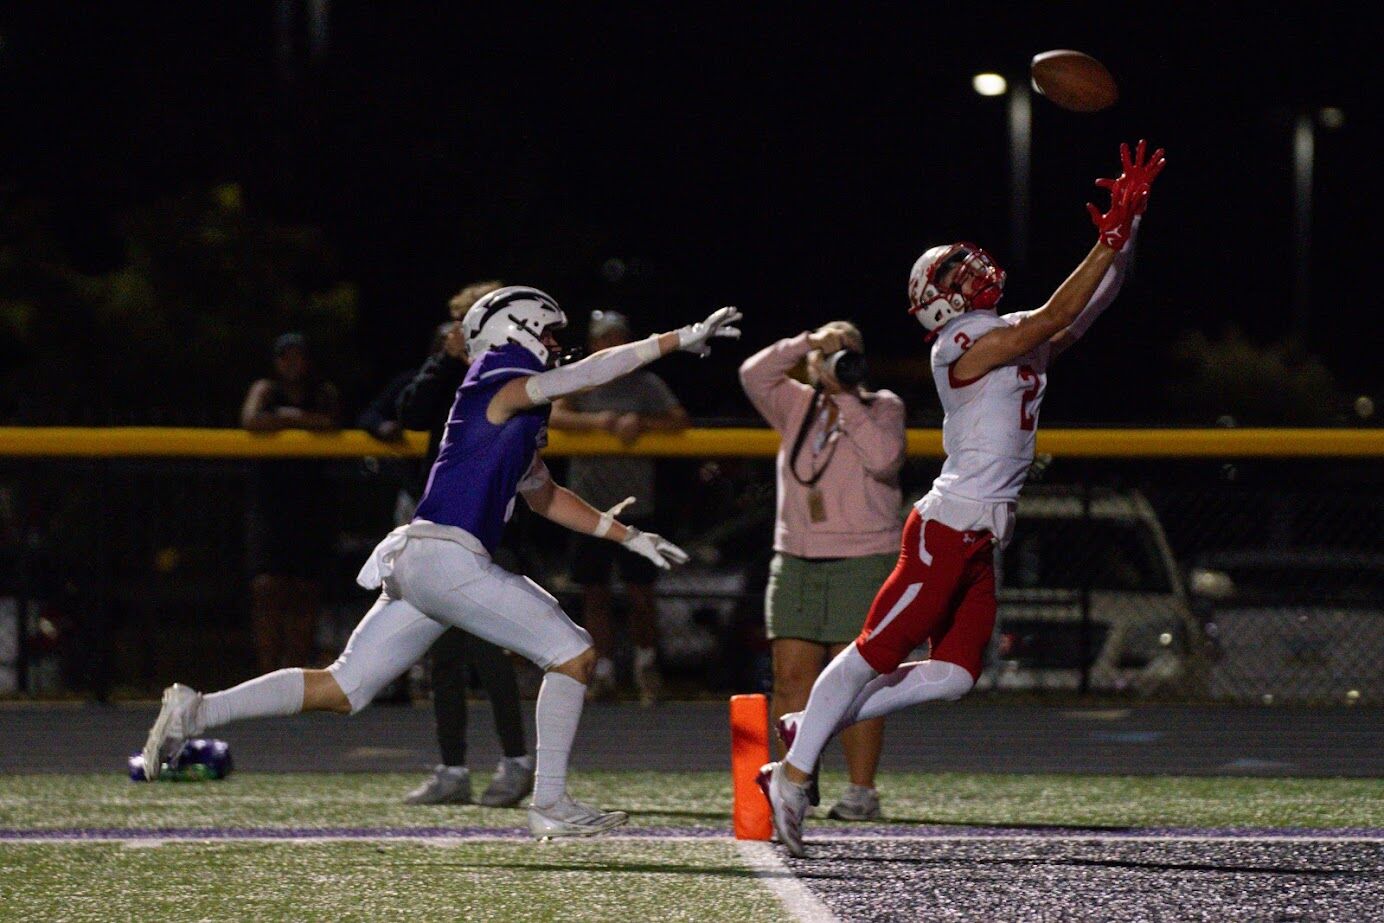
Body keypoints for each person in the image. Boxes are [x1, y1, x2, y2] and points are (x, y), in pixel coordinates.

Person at [142, 287, 743, 841]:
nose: (555, 344)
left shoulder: (513, 405)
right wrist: (677, 339)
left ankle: (198, 709)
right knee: (574, 654)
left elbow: (544, 495)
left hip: (425, 559)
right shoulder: (497, 375)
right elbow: (585, 374)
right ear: (518, 328)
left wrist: (627, 535)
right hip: (447, 557)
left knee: (345, 687)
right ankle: (550, 801)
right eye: (547, 332)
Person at [759, 141, 1166, 856]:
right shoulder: (960, 341)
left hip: (979, 534)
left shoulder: (1007, 336)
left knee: (952, 675)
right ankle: (790, 775)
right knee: (873, 651)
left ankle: (809, 727)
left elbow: (1082, 312)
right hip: (946, 527)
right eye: (953, 273)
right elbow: (1052, 317)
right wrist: (1104, 242)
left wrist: (1125, 234)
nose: (970, 271)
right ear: (939, 302)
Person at [739, 320, 905, 821]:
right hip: (795, 558)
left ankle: (861, 791)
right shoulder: (795, 405)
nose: (838, 359)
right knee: (791, 678)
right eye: (831, 353)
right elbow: (752, 373)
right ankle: (795, 780)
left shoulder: (883, 406)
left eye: (848, 351)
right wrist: (808, 341)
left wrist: (846, 399)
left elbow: (884, 461)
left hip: (864, 559)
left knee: (857, 681)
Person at [393, 281, 536, 808]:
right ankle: (453, 768)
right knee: (444, 654)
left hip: (489, 523)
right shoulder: (455, 366)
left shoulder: (512, 368)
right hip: (445, 522)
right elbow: (412, 412)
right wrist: (443, 361)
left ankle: (516, 760)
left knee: (486, 647)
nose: (460, 330)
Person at [549, 309, 690, 704]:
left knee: (641, 593)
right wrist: (601, 422)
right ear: (593, 343)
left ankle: (646, 667)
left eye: (618, 337)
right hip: (587, 507)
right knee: (594, 593)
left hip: (635, 507)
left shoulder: (646, 383)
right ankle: (604, 672)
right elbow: (553, 415)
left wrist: (639, 422)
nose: (611, 344)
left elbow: (679, 419)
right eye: (604, 338)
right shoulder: (579, 379)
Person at [240, 332, 341, 672]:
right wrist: (298, 420)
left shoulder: (322, 393)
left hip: (311, 502)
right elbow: (251, 420)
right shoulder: (265, 390)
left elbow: (331, 423)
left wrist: (284, 419)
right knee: (267, 587)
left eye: (299, 356)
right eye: (286, 356)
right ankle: (268, 673)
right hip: (270, 502)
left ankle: (294, 674)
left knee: (305, 589)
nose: (292, 363)